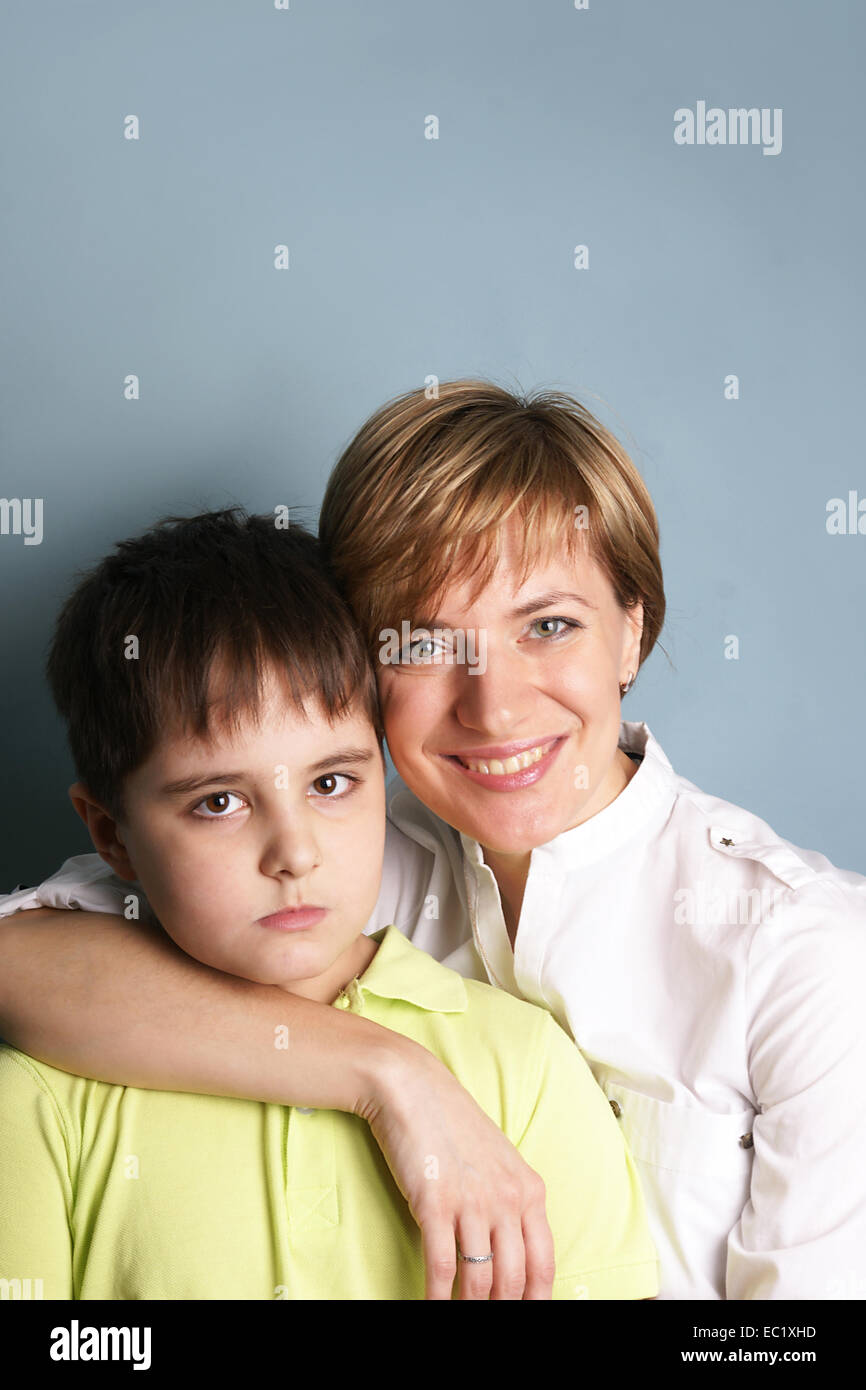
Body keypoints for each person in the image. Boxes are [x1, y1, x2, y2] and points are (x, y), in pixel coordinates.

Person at [2, 380, 865, 1299]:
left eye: (550, 625)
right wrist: (393, 1077)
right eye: (422, 642)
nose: (493, 704)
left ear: (631, 633)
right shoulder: (335, 859)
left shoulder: (804, 952)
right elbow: (25, 957)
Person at [0, 507, 658, 1301]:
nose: (296, 853)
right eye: (217, 803)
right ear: (112, 836)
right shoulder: (38, 1090)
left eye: (331, 783)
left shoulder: (523, 1067)